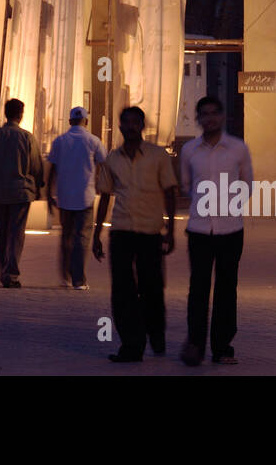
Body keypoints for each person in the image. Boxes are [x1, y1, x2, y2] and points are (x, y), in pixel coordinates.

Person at [92, 106, 177, 363]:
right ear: (120, 127)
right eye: (125, 123)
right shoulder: (112, 159)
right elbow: (105, 195)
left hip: (150, 231)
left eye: (135, 123)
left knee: (151, 287)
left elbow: (170, 191)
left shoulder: (158, 156)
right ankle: (131, 344)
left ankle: (156, 334)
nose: (130, 127)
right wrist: (97, 234)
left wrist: (170, 229)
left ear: (142, 126)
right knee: (122, 290)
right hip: (121, 231)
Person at [177, 95, 254, 367]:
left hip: (231, 230)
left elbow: (247, 183)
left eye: (214, 113)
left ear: (222, 117)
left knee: (226, 288)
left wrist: (229, 207)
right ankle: (195, 343)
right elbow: (186, 185)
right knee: (197, 289)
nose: (209, 118)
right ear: (198, 119)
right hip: (198, 229)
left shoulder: (237, 148)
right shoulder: (189, 151)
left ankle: (222, 346)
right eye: (204, 114)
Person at [0, 98, 44, 289]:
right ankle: (11, 273)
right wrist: (38, 185)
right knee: (16, 234)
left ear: (6, 113)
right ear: (21, 114)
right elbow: (36, 165)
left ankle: (3, 269)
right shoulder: (27, 137)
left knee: (2, 232)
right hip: (21, 192)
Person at [46, 106, 106, 290]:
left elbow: (52, 170)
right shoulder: (94, 141)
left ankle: (65, 277)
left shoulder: (59, 141)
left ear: (70, 121)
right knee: (82, 238)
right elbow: (104, 163)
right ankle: (79, 280)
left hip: (64, 198)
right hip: (85, 197)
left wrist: (49, 194)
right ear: (86, 121)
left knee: (66, 237)